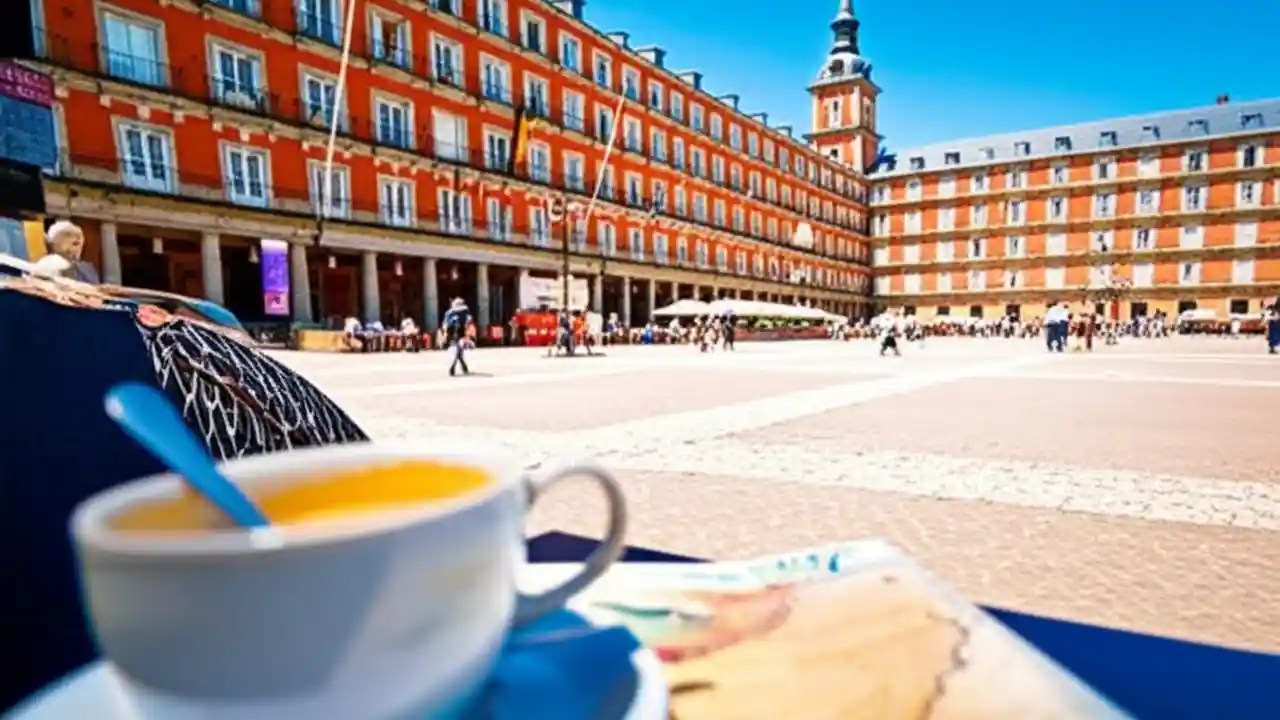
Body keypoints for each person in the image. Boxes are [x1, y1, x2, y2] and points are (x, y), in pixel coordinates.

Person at [33, 220, 100, 284]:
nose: (77, 249)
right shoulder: (50, 264)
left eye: (79, 245)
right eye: (74, 244)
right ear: (53, 244)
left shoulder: (86, 269)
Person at [442, 298, 472, 376]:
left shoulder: (449, 313)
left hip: (452, 333)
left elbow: (445, 325)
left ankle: (459, 365)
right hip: (458, 332)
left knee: (457, 349)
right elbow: (468, 321)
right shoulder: (464, 311)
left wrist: (445, 336)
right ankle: (458, 365)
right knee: (458, 349)